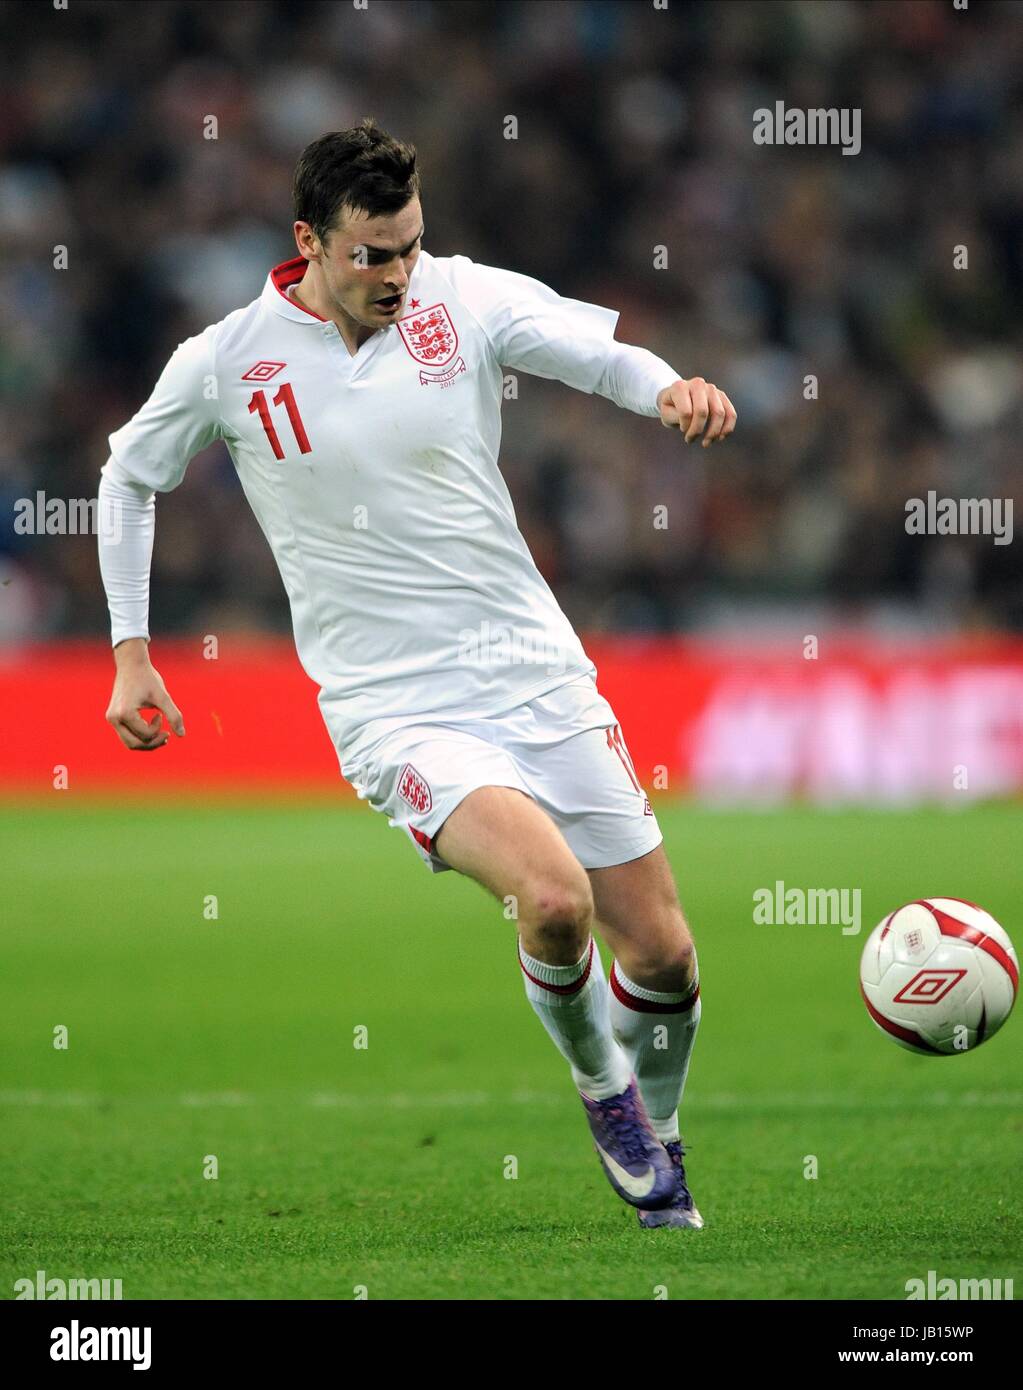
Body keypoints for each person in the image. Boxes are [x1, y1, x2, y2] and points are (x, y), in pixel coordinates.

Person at [98, 118, 736, 1228]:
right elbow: (125, 476)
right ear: (308, 242)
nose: (398, 274)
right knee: (550, 900)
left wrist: (669, 387)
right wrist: (132, 653)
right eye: (371, 254)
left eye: (409, 247)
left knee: (669, 955)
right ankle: (606, 1097)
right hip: (395, 706)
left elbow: (593, 351)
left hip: (534, 667)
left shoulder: (463, 298)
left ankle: (662, 1129)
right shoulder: (227, 359)